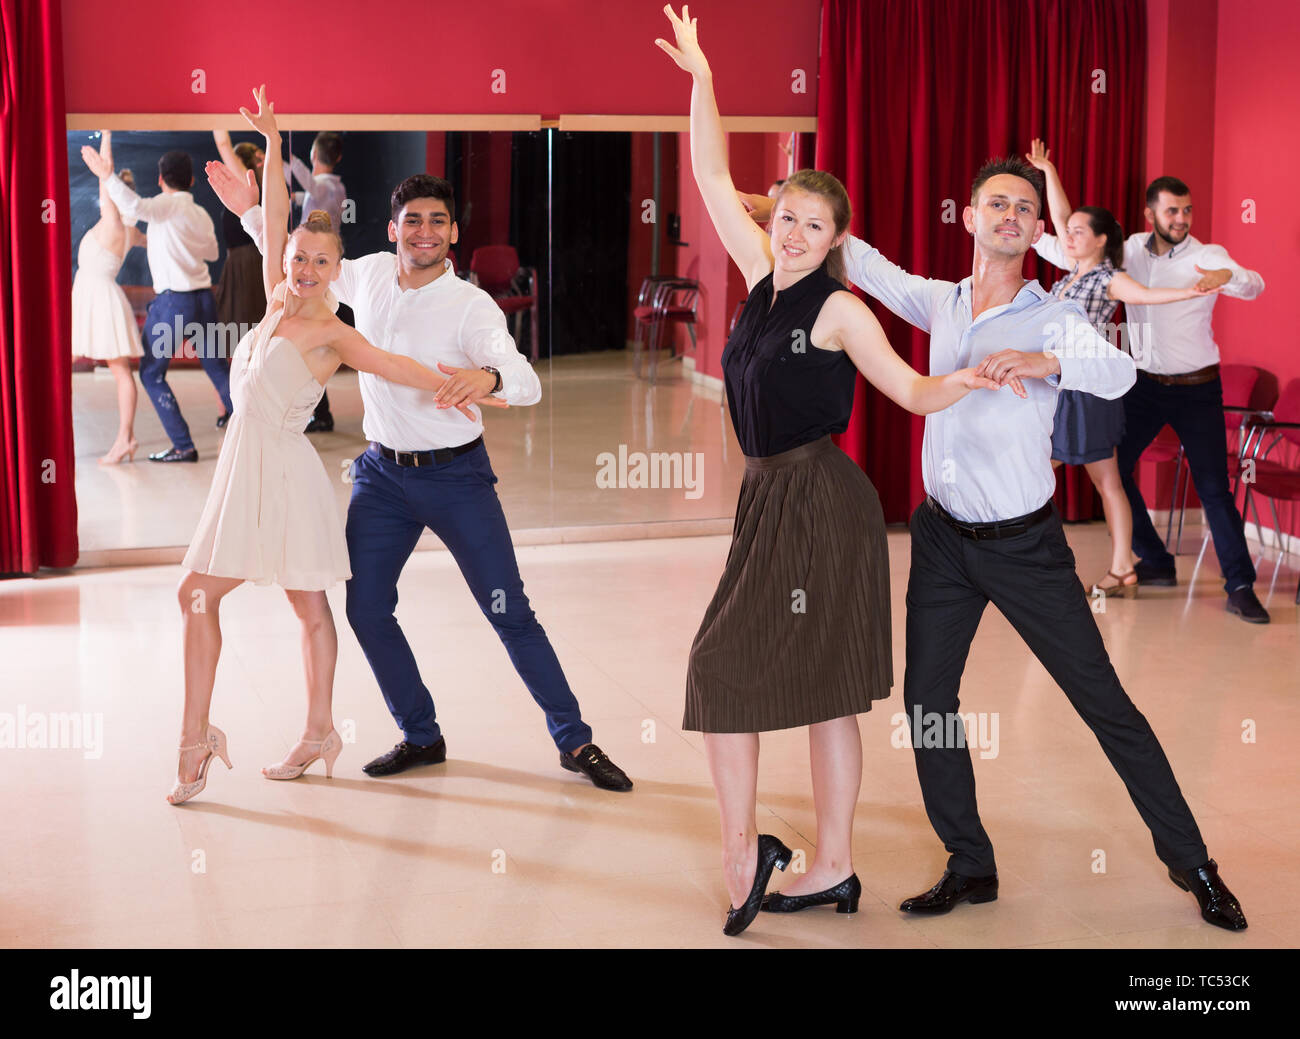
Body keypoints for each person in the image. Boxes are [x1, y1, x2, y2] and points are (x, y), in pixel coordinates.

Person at [746, 152, 1247, 931]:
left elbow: (1118, 374)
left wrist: (1046, 358)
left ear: (1037, 229)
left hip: (1026, 546)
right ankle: (969, 862)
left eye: (1022, 207)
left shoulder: (1053, 314)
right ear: (970, 217)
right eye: (995, 203)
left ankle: (1196, 865)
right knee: (928, 703)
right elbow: (862, 260)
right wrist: (774, 204)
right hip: (943, 539)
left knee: (1103, 702)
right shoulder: (941, 301)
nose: (1009, 214)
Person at [657, 5, 1013, 938]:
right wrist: (702, 73)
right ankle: (832, 870)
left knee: (733, 670)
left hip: (821, 500)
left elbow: (909, 390)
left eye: (817, 225)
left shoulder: (840, 308)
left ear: (838, 238)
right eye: (789, 217)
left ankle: (755, 860)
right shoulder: (760, 269)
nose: (797, 233)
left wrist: (968, 376)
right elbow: (706, 169)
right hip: (768, 495)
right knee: (806, 686)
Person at [208, 126, 633, 799]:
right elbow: (298, 258)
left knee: (508, 610)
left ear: (454, 233)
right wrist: (247, 212)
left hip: (456, 476)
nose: (425, 231)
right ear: (393, 228)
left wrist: (490, 382)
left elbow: (524, 378)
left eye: (438, 221)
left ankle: (574, 738)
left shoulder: (471, 306)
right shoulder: (370, 272)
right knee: (367, 607)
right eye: (413, 220)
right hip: (381, 477)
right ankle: (421, 732)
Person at [165, 86, 494, 806]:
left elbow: (399, 367)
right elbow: (278, 217)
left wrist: (476, 381)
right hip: (240, 474)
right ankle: (201, 736)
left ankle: (315, 730)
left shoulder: (333, 332)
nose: (305, 267)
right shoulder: (279, 299)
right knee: (197, 595)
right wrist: (274, 136)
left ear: (337, 270)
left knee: (308, 609)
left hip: (284, 477)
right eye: (297, 257)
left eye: (319, 261)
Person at [1023, 139, 1222, 597]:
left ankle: (1121, 569)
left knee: (1106, 480)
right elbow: (1060, 216)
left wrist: (1191, 291)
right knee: (1042, 466)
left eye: (1077, 232)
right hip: (1061, 386)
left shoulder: (1109, 278)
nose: (1066, 235)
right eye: (1068, 231)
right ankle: (1045, 556)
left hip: (1090, 391)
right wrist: (1049, 170)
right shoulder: (1071, 269)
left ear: (1100, 239)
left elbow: (1148, 296)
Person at [1113, 176, 1267, 623]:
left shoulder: (1207, 254)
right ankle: (1155, 560)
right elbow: (1073, 248)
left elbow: (1253, 284)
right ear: (1150, 215)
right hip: (1142, 386)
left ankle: (1240, 586)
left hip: (1197, 389)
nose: (1181, 219)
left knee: (1214, 490)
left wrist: (1228, 277)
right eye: (1171, 211)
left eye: (1187, 211)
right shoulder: (1129, 250)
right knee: (1111, 468)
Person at [80, 144, 232, 462]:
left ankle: (183, 445)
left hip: (173, 303)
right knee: (218, 368)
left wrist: (106, 176)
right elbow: (213, 254)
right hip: (204, 299)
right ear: (192, 181)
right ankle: (251, 434)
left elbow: (135, 206)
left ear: (161, 180)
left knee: (151, 374)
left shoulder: (164, 206)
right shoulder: (200, 213)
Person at [73, 131, 146, 465]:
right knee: (116, 369)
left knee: (119, 370)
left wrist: (107, 134)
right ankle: (123, 437)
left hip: (101, 298)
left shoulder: (115, 222)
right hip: (92, 296)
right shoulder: (127, 228)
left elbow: (107, 174)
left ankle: (125, 438)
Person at [287, 131, 347, 433]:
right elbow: (312, 193)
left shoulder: (323, 187)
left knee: (309, 346)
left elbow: (312, 188)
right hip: (322, 272)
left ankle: (319, 412)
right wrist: (296, 196)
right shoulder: (337, 187)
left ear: (313, 156)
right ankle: (317, 410)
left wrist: (287, 160)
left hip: (312, 275)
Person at [211, 131, 268, 408]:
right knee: (239, 337)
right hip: (239, 265)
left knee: (242, 336)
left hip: (247, 266)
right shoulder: (253, 188)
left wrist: (214, 114)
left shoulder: (248, 186)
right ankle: (233, 404)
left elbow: (222, 143)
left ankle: (241, 404)